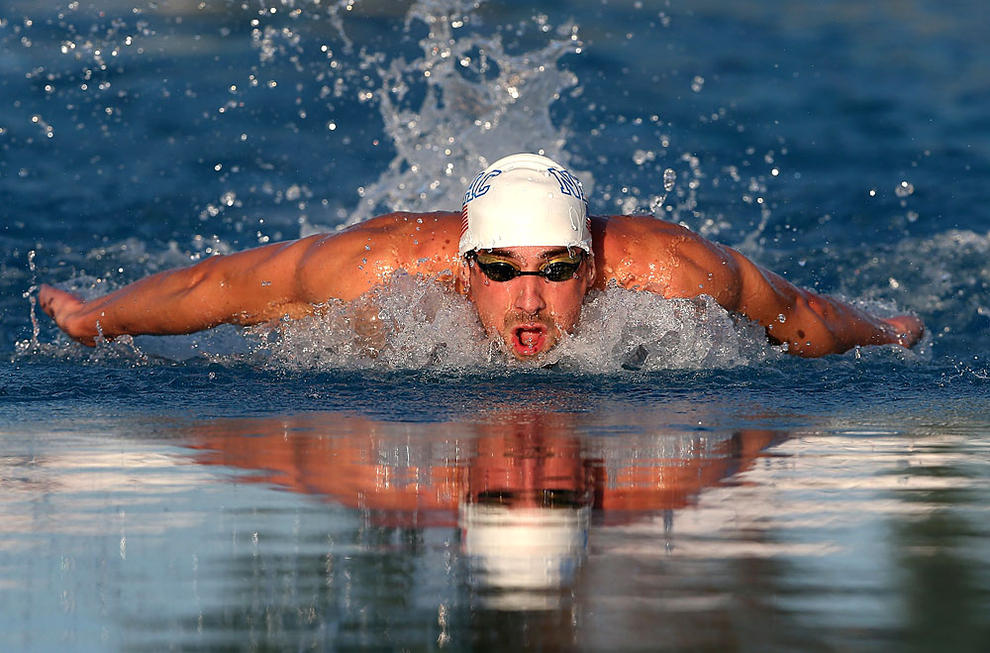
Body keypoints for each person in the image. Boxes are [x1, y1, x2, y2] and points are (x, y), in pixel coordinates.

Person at [39, 152, 924, 359]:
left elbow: (798, 317)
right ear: (464, 265)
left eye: (557, 269)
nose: (529, 299)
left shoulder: (669, 267)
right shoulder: (377, 266)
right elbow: (223, 286)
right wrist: (95, 317)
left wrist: (884, 333)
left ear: (593, 267)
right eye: (500, 268)